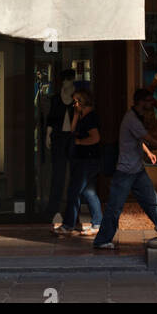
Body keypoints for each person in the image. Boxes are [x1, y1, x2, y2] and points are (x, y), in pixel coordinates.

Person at [92, 88, 157, 250]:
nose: (151, 104)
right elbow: (147, 137)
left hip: (136, 170)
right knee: (115, 207)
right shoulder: (132, 119)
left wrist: (148, 152)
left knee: (153, 203)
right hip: (126, 171)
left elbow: (140, 139)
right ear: (141, 102)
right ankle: (102, 240)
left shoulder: (136, 117)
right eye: (149, 101)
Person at [55, 88, 103, 236]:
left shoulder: (90, 119)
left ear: (82, 102)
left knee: (73, 192)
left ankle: (68, 225)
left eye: (76, 101)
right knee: (89, 192)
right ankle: (98, 223)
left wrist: (80, 142)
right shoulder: (83, 117)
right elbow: (73, 130)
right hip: (86, 160)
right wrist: (76, 115)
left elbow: (96, 138)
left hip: (87, 161)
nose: (73, 104)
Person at [45, 68, 77, 222]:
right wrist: (47, 135)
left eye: (67, 79)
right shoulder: (56, 99)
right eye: (63, 80)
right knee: (58, 174)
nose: (65, 82)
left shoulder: (77, 98)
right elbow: (51, 119)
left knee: (75, 175)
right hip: (58, 137)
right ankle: (54, 210)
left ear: (72, 80)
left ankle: (72, 212)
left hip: (73, 139)